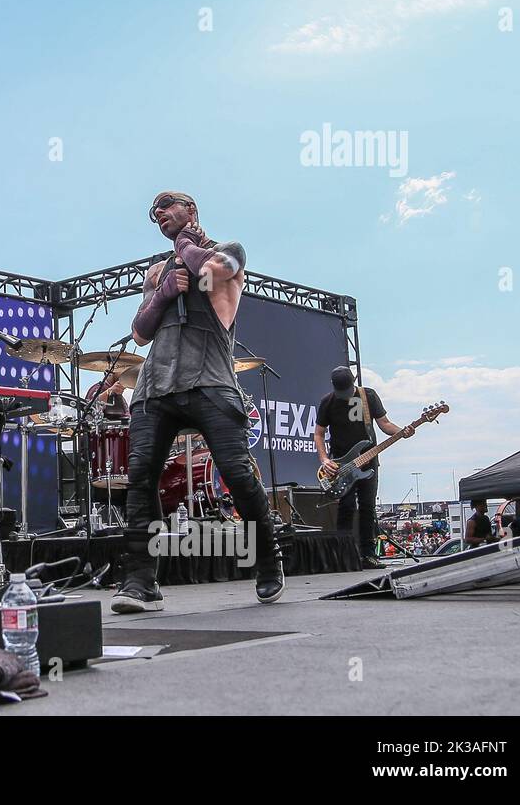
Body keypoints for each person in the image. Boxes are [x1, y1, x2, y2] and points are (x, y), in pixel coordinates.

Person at [112, 191, 283, 614]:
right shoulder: (156, 272)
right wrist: (165, 292)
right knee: (140, 477)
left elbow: (205, 272)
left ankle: (267, 561)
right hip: (156, 384)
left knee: (238, 473)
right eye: (154, 211)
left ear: (192, 212)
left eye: (168, 206)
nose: (159, 213)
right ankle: (140, 581)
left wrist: (185, 245)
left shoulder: (230, 252)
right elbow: (139, 332)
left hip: (210, 378)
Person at [313, 366, 414, 568]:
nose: (345, 395)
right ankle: (342, 557)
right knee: (346, 507)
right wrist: (325, 459)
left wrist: (402, 431)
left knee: (368, 508)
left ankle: (368, 555)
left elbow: (384, 423)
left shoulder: (368, 396)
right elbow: (319, 433)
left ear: (354, 381)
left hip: (368, 462)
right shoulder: (328, 402)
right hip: (342, 464)